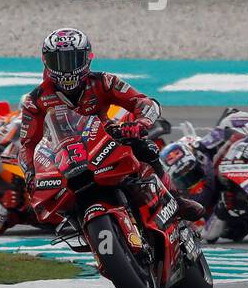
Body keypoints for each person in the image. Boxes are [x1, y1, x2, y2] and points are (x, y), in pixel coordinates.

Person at [18, 28, 204, 221]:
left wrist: (140, 123)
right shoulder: (36, 100)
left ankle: (175, 199)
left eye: (73, 60)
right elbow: (27, 145)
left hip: (104, 142)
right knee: (44, 196)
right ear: (46, 61)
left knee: (146, 147)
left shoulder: (104, 82)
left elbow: (144, 102)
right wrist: (31, 174)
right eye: (59, 61)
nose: (67, 68)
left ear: (87, 58)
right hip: (63, 156)